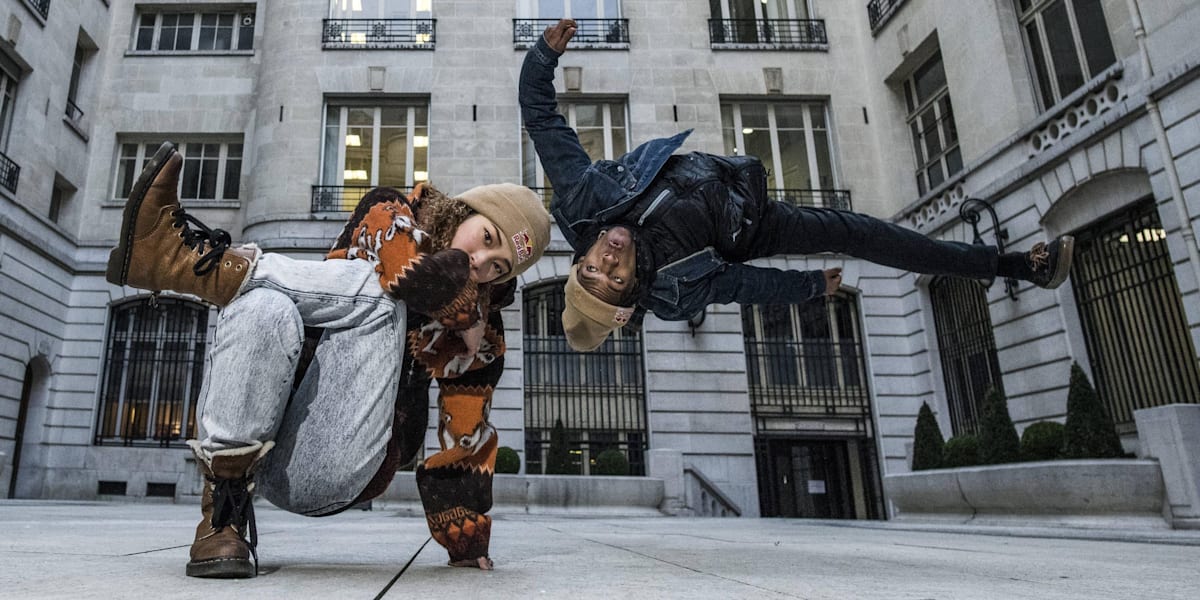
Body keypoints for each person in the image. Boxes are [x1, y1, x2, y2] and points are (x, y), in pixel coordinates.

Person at [106, 142, 550, 577]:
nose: (480, 262)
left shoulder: (482, 334)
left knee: (383, 298)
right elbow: (405, 269)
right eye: (487, 239)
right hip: (259, 427)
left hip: (337, 462)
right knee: (263, 302)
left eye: (499, 267)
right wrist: (461, 305)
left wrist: (465, 538)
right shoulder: (387, 210)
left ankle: (181, 262)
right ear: (465, 210)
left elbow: (467, 434)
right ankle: (223, 521)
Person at [519, 19, 1075, 351]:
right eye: (610, 280)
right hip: (754, 227)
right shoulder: (672, 293)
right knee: (873, 237)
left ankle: (1014, 266)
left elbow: (541, 117)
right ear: (630, 291)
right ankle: (1020, 266)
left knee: (872, 235)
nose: (606, 261)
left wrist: (543, 55)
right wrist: (810, 287)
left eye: (589, 267)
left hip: (737, 183)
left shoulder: (585, 199)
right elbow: (746, 287)